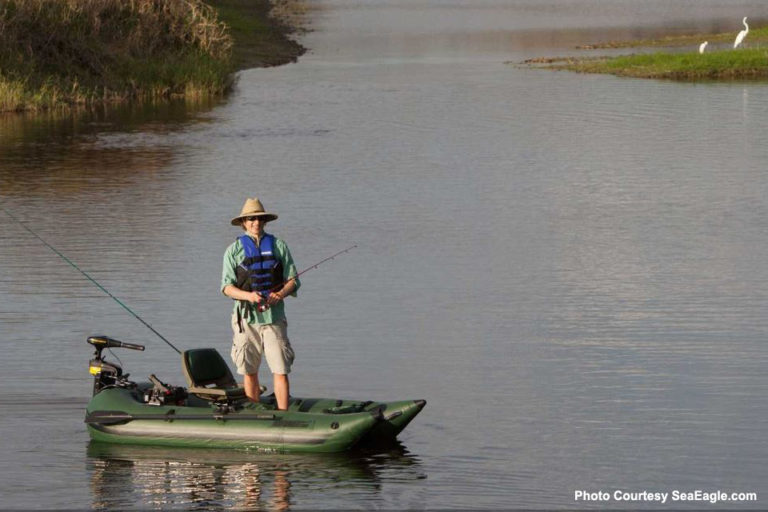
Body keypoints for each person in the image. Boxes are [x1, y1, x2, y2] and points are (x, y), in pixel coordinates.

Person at [221, 197, 300, 410]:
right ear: (244, 222)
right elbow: (227, 287)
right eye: (251, 219)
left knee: (280, 369)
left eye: (259, 219)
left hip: (273, 317)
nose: (256, 223)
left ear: (265, 222)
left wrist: (280, 294)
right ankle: (254, 414)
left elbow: (293, 280)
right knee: (249, 370)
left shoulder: (279, 246)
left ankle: (283, 414)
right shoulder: (233, 251)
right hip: (245, 319)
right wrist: (249, 296)